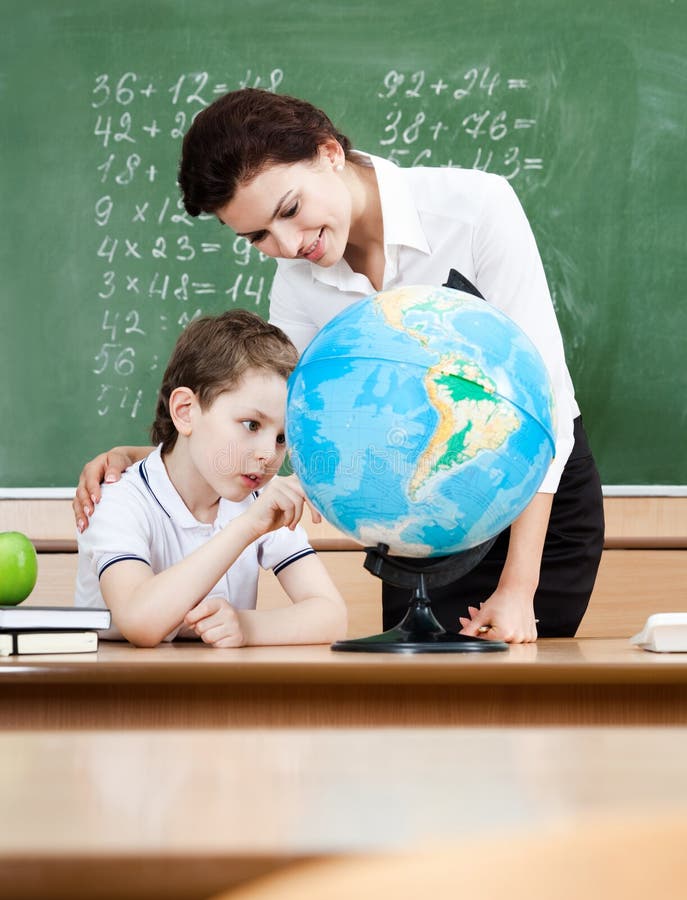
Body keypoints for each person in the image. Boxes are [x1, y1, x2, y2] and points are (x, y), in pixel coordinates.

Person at [74, 88, 604, 644]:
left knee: (521, 694)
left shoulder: (475, 210)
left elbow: (546, 400)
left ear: (329, 153)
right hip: (410, 515)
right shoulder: (296, 284)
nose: (286, 244)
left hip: (533, 498)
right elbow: (285, 416)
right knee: (425, 701)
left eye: (289, 210)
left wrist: (520, 588)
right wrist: (160, 455)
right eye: (257, 236)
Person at [74, 309, 346, 648]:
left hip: (216, 691)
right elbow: (140, 621)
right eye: (251, 425)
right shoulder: (117, 498)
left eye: (281, 437)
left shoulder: (257, 502)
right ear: (186, 411)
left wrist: (247, 628)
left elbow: (332, 616)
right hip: (114, 694)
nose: (268, 455)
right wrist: (247, 527)